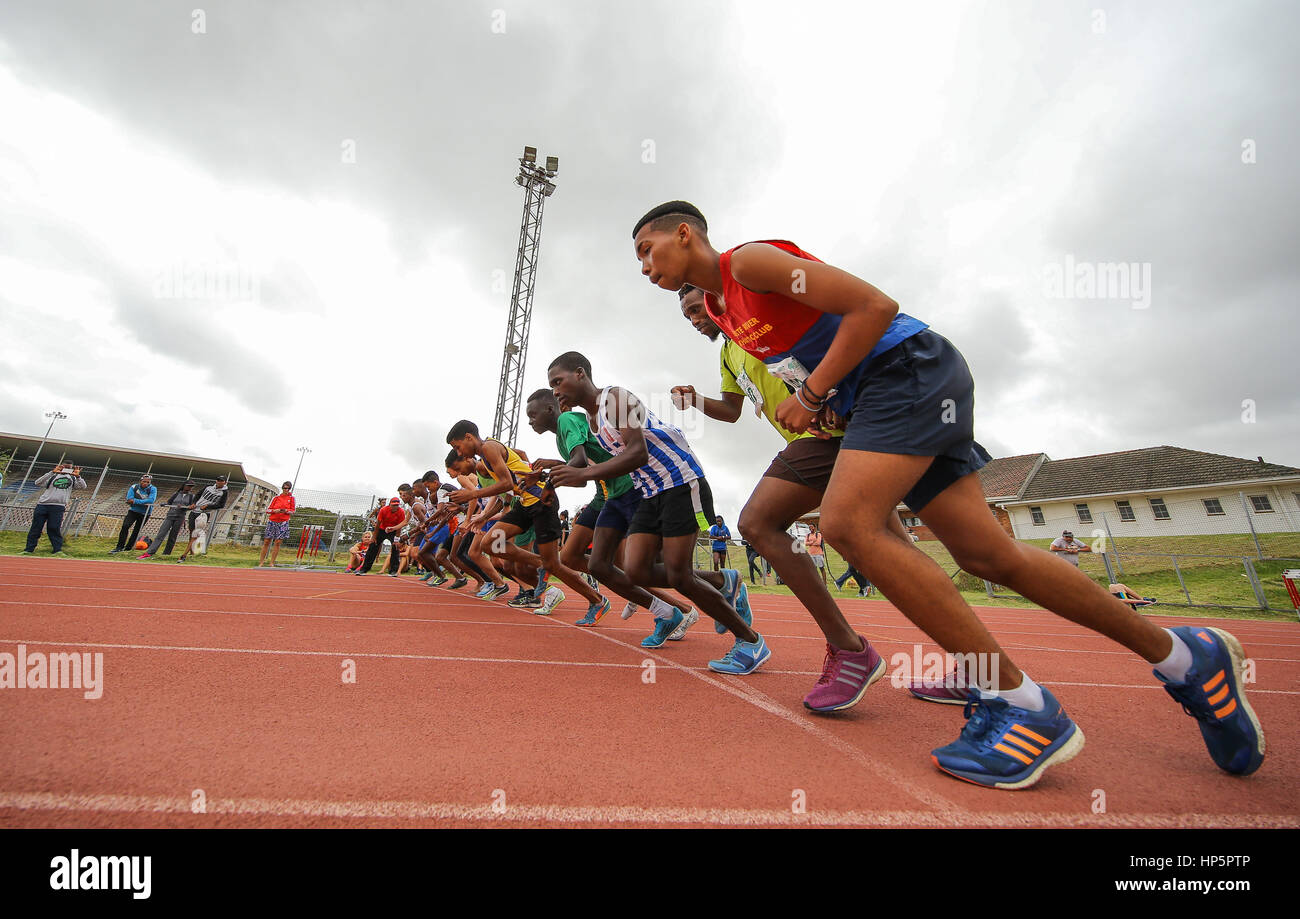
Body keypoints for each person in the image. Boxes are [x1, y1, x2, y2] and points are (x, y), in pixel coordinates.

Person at [631, 199, 1265, 786]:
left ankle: (1022, 705)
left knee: (850, 526)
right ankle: (1186, 657)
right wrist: (819, 403)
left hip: (906, 370)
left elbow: (874, 307)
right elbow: (808, 351)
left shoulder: (751, 264)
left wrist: (812, 394)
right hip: (881, 398)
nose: (643, 267)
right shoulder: (722, 313)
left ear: (685, 233)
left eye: (647, 248)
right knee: (989, 556)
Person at [672, 283, 906, 709]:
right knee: (892, 550)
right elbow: (731, 410)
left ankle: (852, 650)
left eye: (696, 308)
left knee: (758, 523)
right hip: (825, 440)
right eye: (687, 316)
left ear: (714, 296)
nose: (695, 319)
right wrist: (696, 401)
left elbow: (824, 339)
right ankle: (972, 659)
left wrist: (826, 393)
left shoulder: (754, 316)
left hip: (838, 427)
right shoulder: (728, 351)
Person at [546, 351, 765, 671]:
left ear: (580, 374)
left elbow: (637, 451)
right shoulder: (591, 420)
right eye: (551, 385)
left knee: (678, 574)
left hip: (680, 480)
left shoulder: (616, 400)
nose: (554, 390)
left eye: (557, 381)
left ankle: (749, 641)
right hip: (649, 491)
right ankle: (723, 581)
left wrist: (583, 473)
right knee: (634, 569)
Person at [525, 387, 697, 634]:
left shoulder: (566, 419)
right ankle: (629, 591)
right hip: (603, 494)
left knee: (633, 568)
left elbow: (581, 463)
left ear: (549, 409)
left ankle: (690, 600)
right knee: (572, 556)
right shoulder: (566, 428)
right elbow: (584, 469)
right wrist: (548, 472)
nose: (530, 421)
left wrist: (548, 483)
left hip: (625, 488)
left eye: (533, 415)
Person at [447, 419, 605, 619]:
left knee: (554, 564)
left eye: (458, 447)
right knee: (490, 543)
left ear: (468, 437)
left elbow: (505, 483)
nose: (459, 453)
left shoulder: (488, 448)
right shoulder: (486, 456)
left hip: (541, 501)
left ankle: (597, 600)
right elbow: (507, 492)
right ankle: (542, 564)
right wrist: (483, 517)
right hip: (524, 503)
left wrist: (471, 495)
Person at [23, 463, 87, 556]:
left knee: (54, 528)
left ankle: (57, 550)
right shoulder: (53, 476)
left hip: (58, 506)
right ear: (60, 467)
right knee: (36, 528)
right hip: (43, 505)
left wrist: (78, 476)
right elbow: (37, 482)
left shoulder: (72, 478)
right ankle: (29, 549)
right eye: (64, 467)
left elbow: (83, 486)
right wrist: (52, 472)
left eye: (69, 468)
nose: (66, 469)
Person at [177, 475, 229, 562]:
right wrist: (194, 503)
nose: (219, 482)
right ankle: (192, 552)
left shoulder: (224, 492)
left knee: (195, 534)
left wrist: (208, 506)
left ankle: (183, 555)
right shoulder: (208, 487)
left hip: (204, 514)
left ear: (225, 482)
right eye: (218, 480)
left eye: (222, 481)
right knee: (191, 533)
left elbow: (221, 505)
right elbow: (198, 495)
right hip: (194, 511)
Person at [138, 481, 197, 558]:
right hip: (170, 516)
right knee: (161, 534)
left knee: (173, 536)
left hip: (180, 517)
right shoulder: (176, 494)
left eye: (191, 486)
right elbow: (169, 502)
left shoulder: (191, 496)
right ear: (184, 485)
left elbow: (191, 506)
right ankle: (150, 552)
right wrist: (165, 504)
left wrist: (185, 507)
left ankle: (166, 554)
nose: (189, 488)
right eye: (188, 486)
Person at [357, 496, 407, 576]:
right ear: (390, 504)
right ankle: (364, 569)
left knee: (395, 548)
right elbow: (378, 524)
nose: (395, 507)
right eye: (393, 505)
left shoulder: (401, 512)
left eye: (397, 505)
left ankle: (393, 571)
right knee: (373, 546)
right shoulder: (383, 510)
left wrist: (396, 539)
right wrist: (373, 537)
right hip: (381, 529)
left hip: (393, 530)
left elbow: (400, 526)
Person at [111, 474, 156, 554]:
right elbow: (129, 499)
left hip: (145, 513)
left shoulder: (153, 489)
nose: (145, 483)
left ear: (150, 482)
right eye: (144, 481)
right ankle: (119, 547)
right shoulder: (134, 487)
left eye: (147, 482)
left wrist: (135, 501)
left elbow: (151, 501)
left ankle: (128, 548)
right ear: (140, 481)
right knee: (125, 526)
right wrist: (142, 502)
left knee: (136, 531)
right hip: (133, 511)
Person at [258, 481, 296, 567]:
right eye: (284, 488)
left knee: (278, 542)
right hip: (272, 520)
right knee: (267, 541)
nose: (286, 490)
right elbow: (268, 510)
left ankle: (272, 562)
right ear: (282, 488)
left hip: (283, 521)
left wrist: (286, 511)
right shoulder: (276, 498)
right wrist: (274, 511)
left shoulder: (292, 499)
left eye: (288, 488)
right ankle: (261, 562)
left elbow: (293, 511)